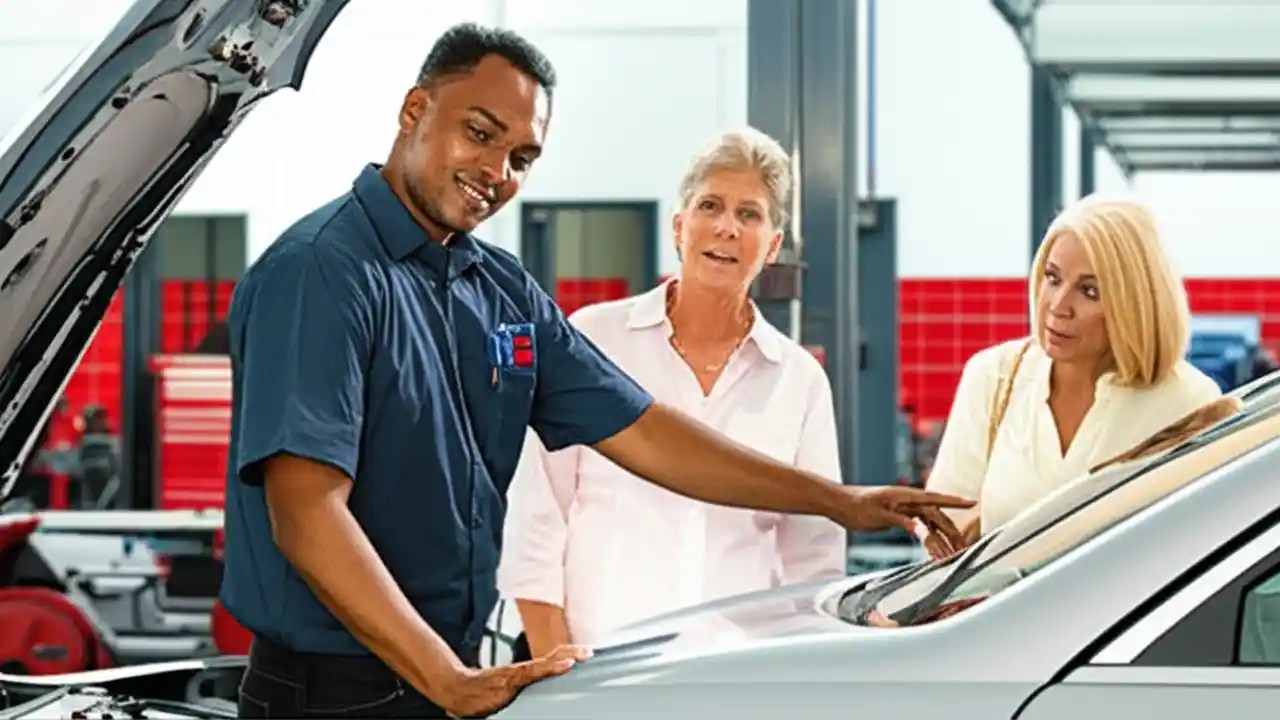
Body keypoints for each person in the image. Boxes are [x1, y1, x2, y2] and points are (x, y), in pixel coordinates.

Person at [219, 22, 972, 720]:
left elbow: (646, 432)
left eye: (520, 158)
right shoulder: (323, 272)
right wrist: (446, 678)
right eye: (479, 134)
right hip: (330, 693)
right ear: (415, 109)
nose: (496, 171)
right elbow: (306, 514)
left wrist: (841, 502)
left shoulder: (500, 291)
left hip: (440, 674)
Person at [498, 128, 848, 659]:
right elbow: (536, 519)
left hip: (741, 675)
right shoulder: (592, 340)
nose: (727, 228)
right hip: (599, 668)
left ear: (773, 246)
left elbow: (814, 563)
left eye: (749, 215)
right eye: (711, 206)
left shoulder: (797, 380)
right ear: (680, 226)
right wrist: (554, 664)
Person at [920, 193, 1221, 560]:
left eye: (1089, 290)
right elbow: (941, 530)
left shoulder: (1190, 403)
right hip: (1000, 615)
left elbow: (1196, 551)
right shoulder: (994, 376)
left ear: (1135, 302)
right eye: (1052, 278)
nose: (1058, 306)